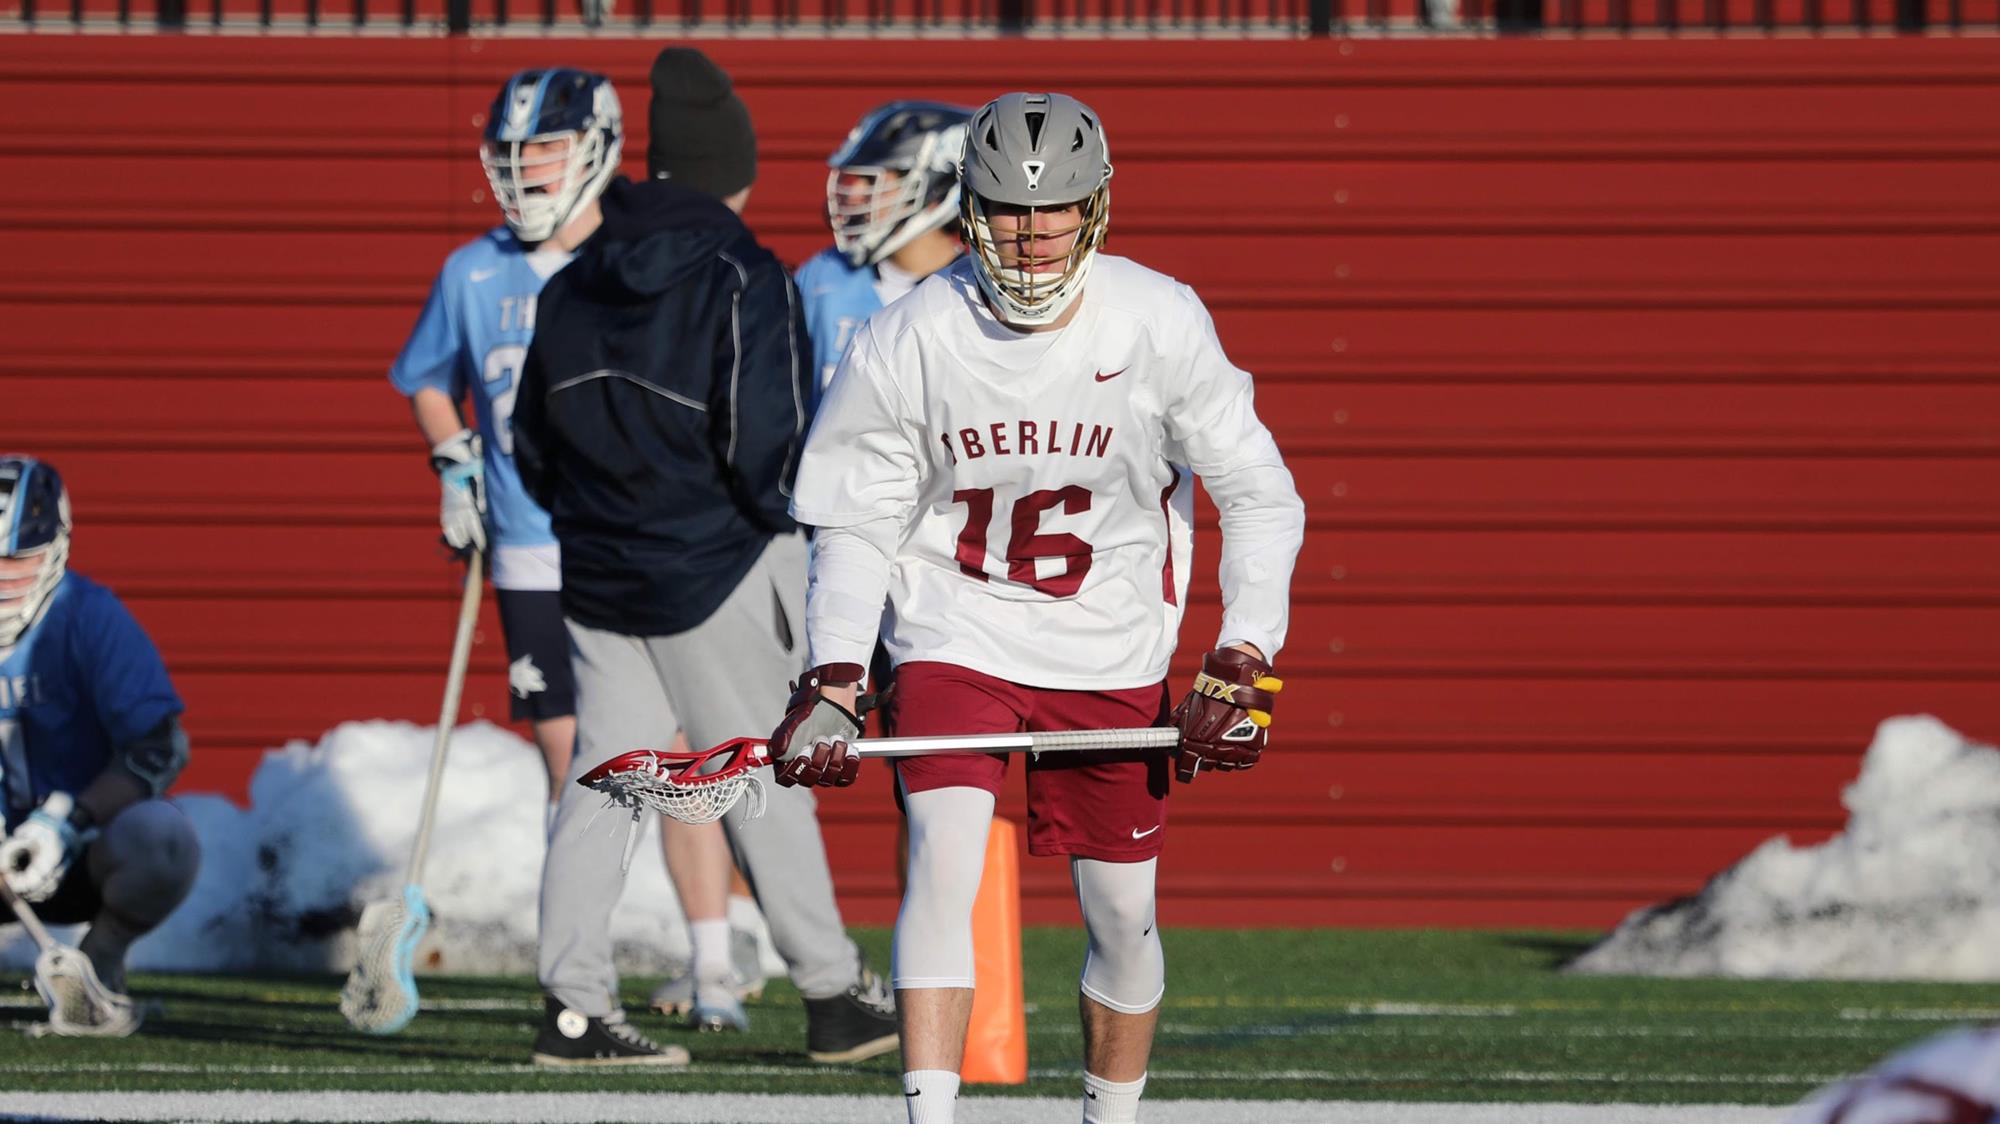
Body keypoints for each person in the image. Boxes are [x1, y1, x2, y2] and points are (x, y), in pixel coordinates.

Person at [769, 92, 1306, 1124]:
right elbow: (853, 519)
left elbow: (1259, 492)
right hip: (953, 627)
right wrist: (836, 672)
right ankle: (930, 1115)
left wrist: (1243, 652)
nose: (1031, 232)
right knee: (943, 853)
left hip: (1108, 642)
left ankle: (1111, 1113)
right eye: (1009, 210)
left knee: (1121, 908)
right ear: (966, 207)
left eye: (1055, 208)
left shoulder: (1156, 318)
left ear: (1096, 206)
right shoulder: (909, 333)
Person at [512, 46, 898, 1067]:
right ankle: (831, 994)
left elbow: (530, 449)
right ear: (736, 166)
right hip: (716, 564)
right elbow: (767, 450)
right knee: (763, 776)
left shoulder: (569, 282)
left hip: (597, 574)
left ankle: (572, 1006)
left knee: (601, 787)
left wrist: (603, 523)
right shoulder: (742, 271)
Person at [386, 67, 756, 1041]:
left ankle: (713, 963)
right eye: (510, 154)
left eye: (541, 149)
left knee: (680, 763)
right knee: (580, 770)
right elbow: (427, 378)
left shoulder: (639, 257)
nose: (524, 171)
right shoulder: (472, 271)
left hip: (640, 546)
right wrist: (451, 459)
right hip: (530, 550)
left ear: (593, 147)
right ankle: (579, 986)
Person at [0, 455, 202, 1037]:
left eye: (17, 563)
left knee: (164, 839)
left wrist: (65, 821)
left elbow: (159, 746)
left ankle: (101, 959)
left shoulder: (88, 615)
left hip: (78, 851)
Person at [796, 100, 973, 404]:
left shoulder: (975, 292)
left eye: (873, 179)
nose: (854, 193)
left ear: (937, 187)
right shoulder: (822, 277)